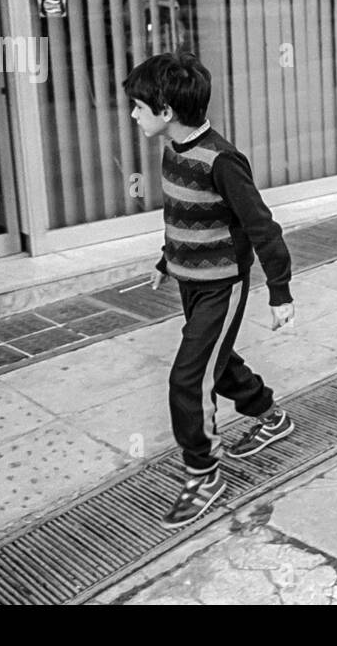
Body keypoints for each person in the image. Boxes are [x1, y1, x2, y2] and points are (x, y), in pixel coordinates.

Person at [124, 52, 297, 528]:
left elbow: (262, 227)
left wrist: (279, 291)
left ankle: (203, 474)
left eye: (139, 106)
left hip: (222, 284)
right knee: (214, 365)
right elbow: (182, 212)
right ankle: (270, 415)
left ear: (167, 112)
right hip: (189, 281)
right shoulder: (173, 149)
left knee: (187, 378)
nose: (134, 115)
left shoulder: (221, 160)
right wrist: (166, 260)